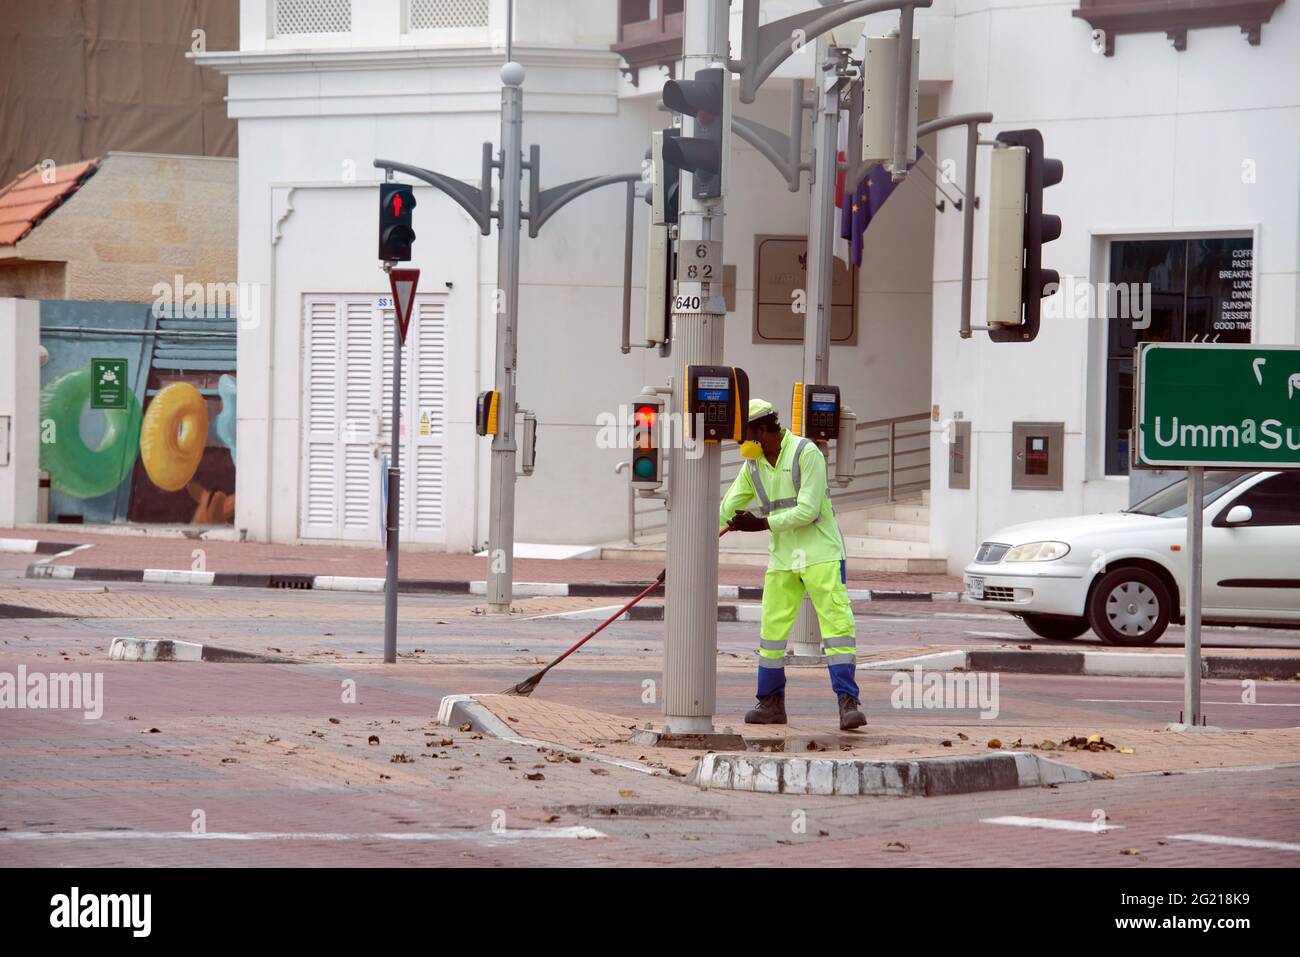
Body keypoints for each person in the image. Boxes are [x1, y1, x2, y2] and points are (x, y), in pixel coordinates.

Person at [721, 398, 866, 730]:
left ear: (761, 430)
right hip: (783, 558)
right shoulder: (753, 464)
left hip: (821, 554)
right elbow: (726, 507)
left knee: (837, 628)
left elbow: (809, 510)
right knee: (771, 632)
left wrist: (761, 523)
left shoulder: (806, 453)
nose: (742, 444)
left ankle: (848, 703)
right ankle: (770, 702)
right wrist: (703, 536)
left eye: (744, 436)